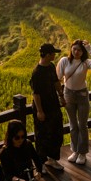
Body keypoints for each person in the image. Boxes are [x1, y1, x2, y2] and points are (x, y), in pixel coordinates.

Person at [57, 39, 91, 165]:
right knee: (73, 125)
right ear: (71, 48)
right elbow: (58, 78)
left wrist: (90, 50)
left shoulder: (86, 62)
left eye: (80, 50)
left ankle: (82, 153)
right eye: (74, 49)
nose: (76, 52)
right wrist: (59, 95)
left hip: (82, 94)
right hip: (68, 94)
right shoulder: (64, 61)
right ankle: (75, 151)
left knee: (82, 125)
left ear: (83, 52)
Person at [29, 43, 65, 172]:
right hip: (42, 107)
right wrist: (39, 111)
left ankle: (52, 159)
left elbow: (56, 82)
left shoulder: (51, 66)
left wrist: (61, 96)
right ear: (48, 54)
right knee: (41, 136)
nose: (54, 55)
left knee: (57, 132)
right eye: (53, 53)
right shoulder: (37, 73)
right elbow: (36, 94)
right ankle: (40, 163)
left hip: (54, 104)